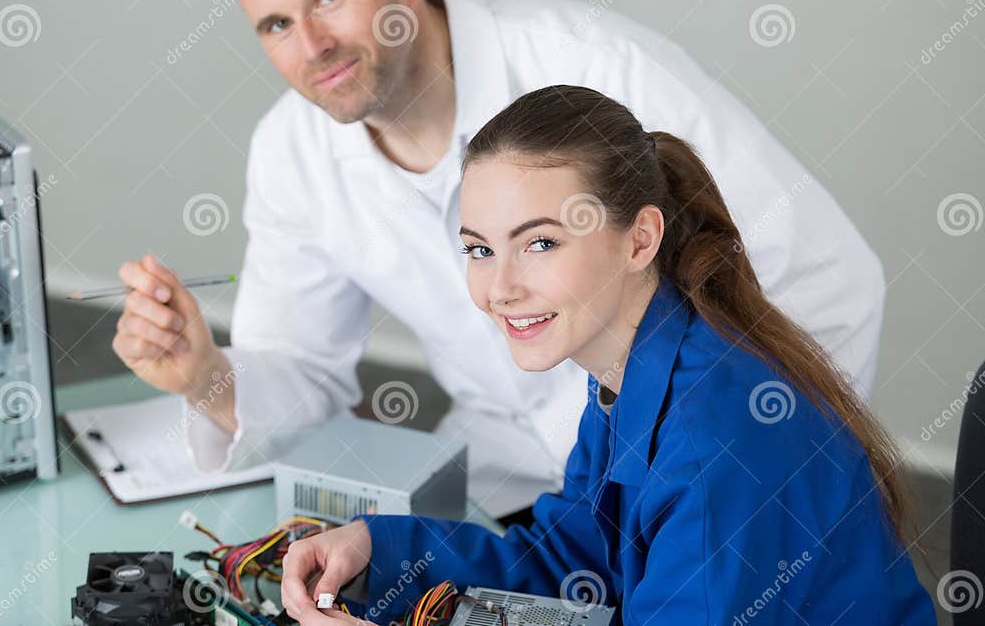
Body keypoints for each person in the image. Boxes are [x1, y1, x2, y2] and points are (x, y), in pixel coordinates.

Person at [111, 0, 887, 522]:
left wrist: (737, 488)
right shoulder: (291, 152)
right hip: (506, 491)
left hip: (686, 491)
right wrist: (205, 376)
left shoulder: (591, 68)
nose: (312, 44)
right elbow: (306, 376)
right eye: (277, 24)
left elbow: (826, 278)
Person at [278, 85, 933, 625]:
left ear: (639, 239)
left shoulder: (713, 449)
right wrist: (381, 552)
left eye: (540, 244)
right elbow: (574, 566)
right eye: (479, 248)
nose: (500, 288)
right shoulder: (628, 375)